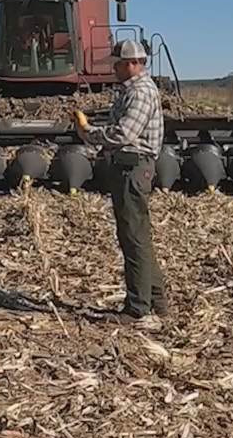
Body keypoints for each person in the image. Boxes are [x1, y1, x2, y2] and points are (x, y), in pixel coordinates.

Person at [72, 39, 168, 329]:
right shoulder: (133, 90)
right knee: (138, 234)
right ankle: (156, 299)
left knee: (133, 237)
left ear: (132, 64)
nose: (112, 69)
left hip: (132, 168)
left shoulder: (140, 93)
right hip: (129, 167)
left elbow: (125, 133)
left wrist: (88, 132)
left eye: (116, 64)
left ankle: (137, 308)